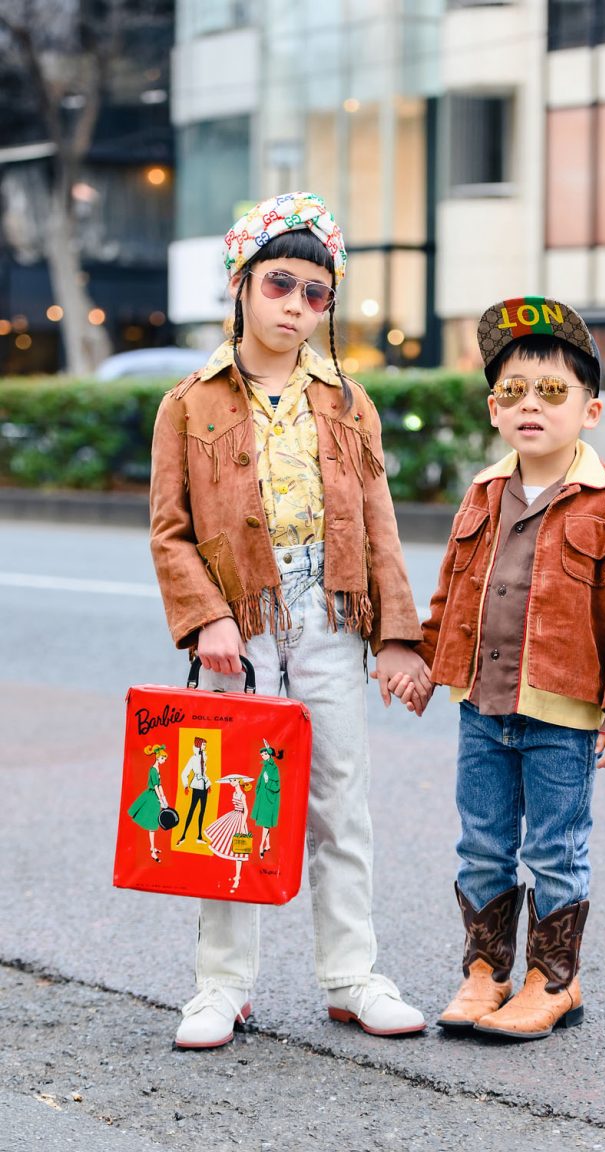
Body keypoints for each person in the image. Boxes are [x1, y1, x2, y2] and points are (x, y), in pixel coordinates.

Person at [149, 191, 432, 1049]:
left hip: (332, 615)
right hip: (241, 625)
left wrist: (395, 637)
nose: (299, 308)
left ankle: (351, 976)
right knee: (227, 807)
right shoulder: (188, 402)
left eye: (317, 294)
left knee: (342, 802)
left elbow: (379, 521)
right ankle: (222, 987)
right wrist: (205, 620)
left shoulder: (348, 400)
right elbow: (169, 530)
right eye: (281, 285)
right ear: (240, 284)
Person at [396, 296, 605, 1041]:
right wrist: (422, 662)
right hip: (482, 709)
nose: (531, 407)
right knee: (480, 842)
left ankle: (555, 981)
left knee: (555, 847)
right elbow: (452, 594)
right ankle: (486, 972)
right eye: (513, 393)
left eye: (552, 392)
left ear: (592, 410)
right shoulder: (482, 493)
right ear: (492, 408)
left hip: (562, 718)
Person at [204, 775, 254, 893]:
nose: (232, 782)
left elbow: (246, 810)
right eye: (231, 780)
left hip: (240, 819)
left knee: (239, 851)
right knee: (225, 841)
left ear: (239, 781)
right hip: (232, 816)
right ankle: (235, 875)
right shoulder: (234, 793)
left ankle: (237, 877)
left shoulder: (242, 794)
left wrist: (242, 825)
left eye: (234, 780)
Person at [127, 744, 170, 863]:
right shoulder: (153, 770)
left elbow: (160, 785)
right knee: (152, 825)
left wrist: (164, 797)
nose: (164, 760)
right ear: (157, 758)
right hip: (152, 797)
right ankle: (152, 852)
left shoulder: (157, 769)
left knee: (153, 826)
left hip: (155, 797)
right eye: (163, 758)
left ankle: (152, 847)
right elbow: (156, 786)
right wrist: (160, 799)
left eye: (165, 759)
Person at [178, 736, 212, 845]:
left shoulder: (204, 756)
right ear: (198, 745)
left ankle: (199, 836)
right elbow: (184, 773)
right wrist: (186, 786)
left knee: (202, 811)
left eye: (205, 745)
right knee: (191, 810)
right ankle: (183, 835)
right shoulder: (193, 758)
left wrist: (208, 784)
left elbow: (204, 773)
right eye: (203, 745)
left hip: (204, 787)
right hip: (196, 787)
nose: (205, 746)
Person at [252, 741, 282, 859]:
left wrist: (267, 782)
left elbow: (276, 786)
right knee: (266, 824)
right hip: (263, 797)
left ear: (269, 754)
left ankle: (261, 846)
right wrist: (258, 790)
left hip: (270, 799)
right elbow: (260, 780)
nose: (263, 756)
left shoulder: (274, 768)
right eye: (262, 755)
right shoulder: (265, 766)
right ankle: (268, 844)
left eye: (265, 754)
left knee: (265, 823)